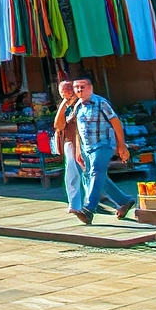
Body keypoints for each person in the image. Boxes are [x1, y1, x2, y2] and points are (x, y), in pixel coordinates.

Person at [70, 78, 134, 218]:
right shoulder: (78, 106)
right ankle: (124, 201)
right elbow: (77, 130)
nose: (79, 90)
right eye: (76, 87)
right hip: (87, 147)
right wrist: (78, 150)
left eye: (82, 86)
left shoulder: (101, 103)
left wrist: (121, 145)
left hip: (103, 144)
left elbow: (116, 123)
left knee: (96, 172)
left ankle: (89, 209)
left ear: (90, 88)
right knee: (99, 176)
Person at [51, 80, 91, 223]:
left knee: (89, 173)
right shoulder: (65, 106)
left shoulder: (81, 103)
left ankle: (90, 203)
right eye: (62, 91)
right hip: (70, 143)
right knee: (72, 174)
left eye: (66, 91)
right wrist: (63, 104)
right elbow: (59, 125)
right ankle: (75, 204)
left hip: (84, 143)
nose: (64, 94)